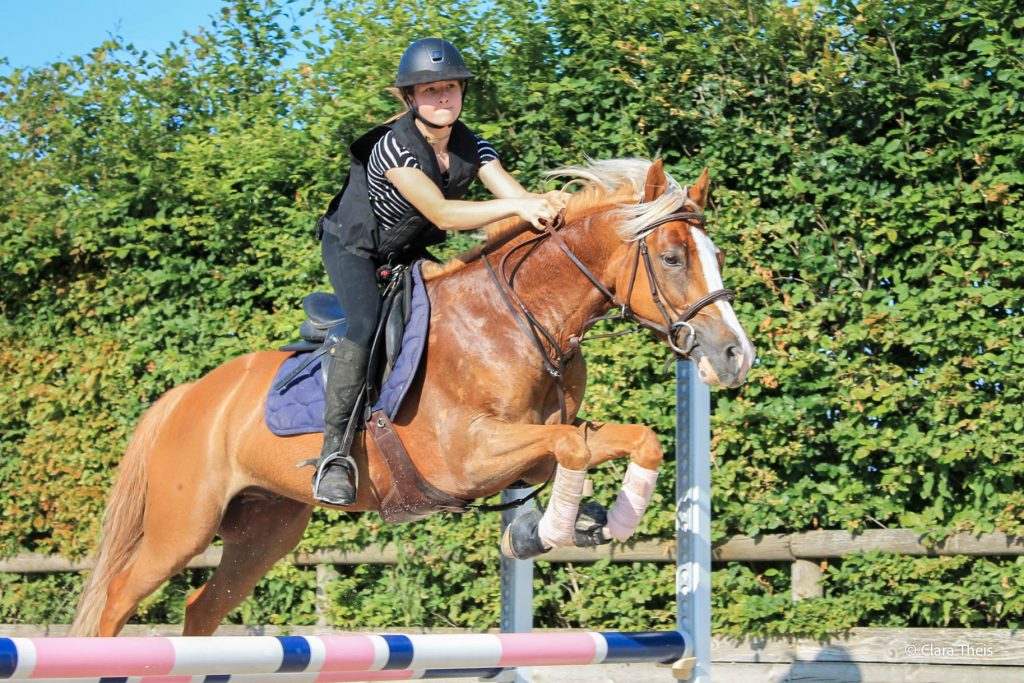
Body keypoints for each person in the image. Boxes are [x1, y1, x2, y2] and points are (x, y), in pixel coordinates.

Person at [313, 38, 568, 506]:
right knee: (366, 324)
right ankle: (334, 456)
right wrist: (523, 204)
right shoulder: (393, 149)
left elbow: (513, 200)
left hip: (407, 252)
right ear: (410, 99)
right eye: (429, 91)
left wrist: (549, 208)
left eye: (449, 87)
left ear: (461, 93)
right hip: (354, 249)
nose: (442, 98)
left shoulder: (474, 145)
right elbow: (444, 214)